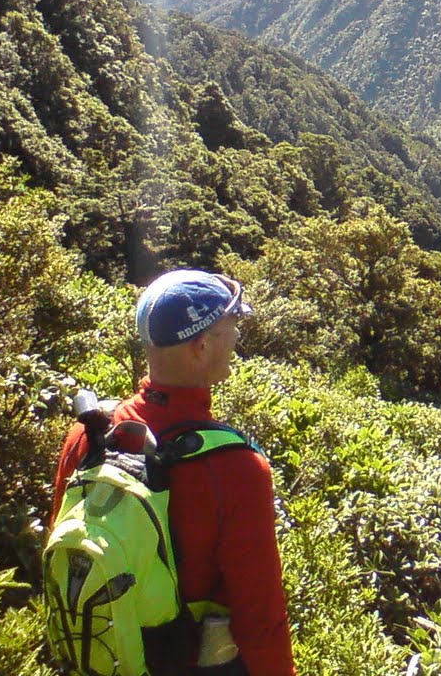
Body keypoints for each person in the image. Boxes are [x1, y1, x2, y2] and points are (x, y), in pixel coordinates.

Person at [51, 269, 295, 676]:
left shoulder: (88, 434)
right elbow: (260, 619)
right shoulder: (236, 468)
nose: (236, 337)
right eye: (231, 327)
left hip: (101, 652)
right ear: (200, 346)